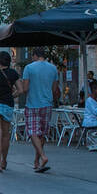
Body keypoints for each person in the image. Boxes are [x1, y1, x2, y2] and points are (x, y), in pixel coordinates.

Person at [17, 46, 60, 174]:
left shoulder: (29, 68)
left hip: (33, 104)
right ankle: (37, 161)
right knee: (42, 133)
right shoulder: (53, 68)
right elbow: (54, 89)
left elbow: (25, 89)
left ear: (34, 55)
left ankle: (43, 156)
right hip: (47, 104)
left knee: (33, 132)